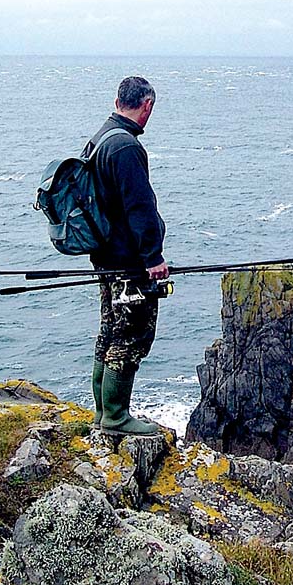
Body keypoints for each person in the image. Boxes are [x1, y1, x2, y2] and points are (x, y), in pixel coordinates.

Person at [86, 76, 169, 437]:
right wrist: (152, 258)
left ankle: (103, 412)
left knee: (109, 331)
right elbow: (139, 207)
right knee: (130, 334)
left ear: (117, 100)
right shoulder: (127, 148)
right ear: (146, 105)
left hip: (105, 258)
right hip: (128, 263)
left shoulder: (101, 138)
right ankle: (117, 417)